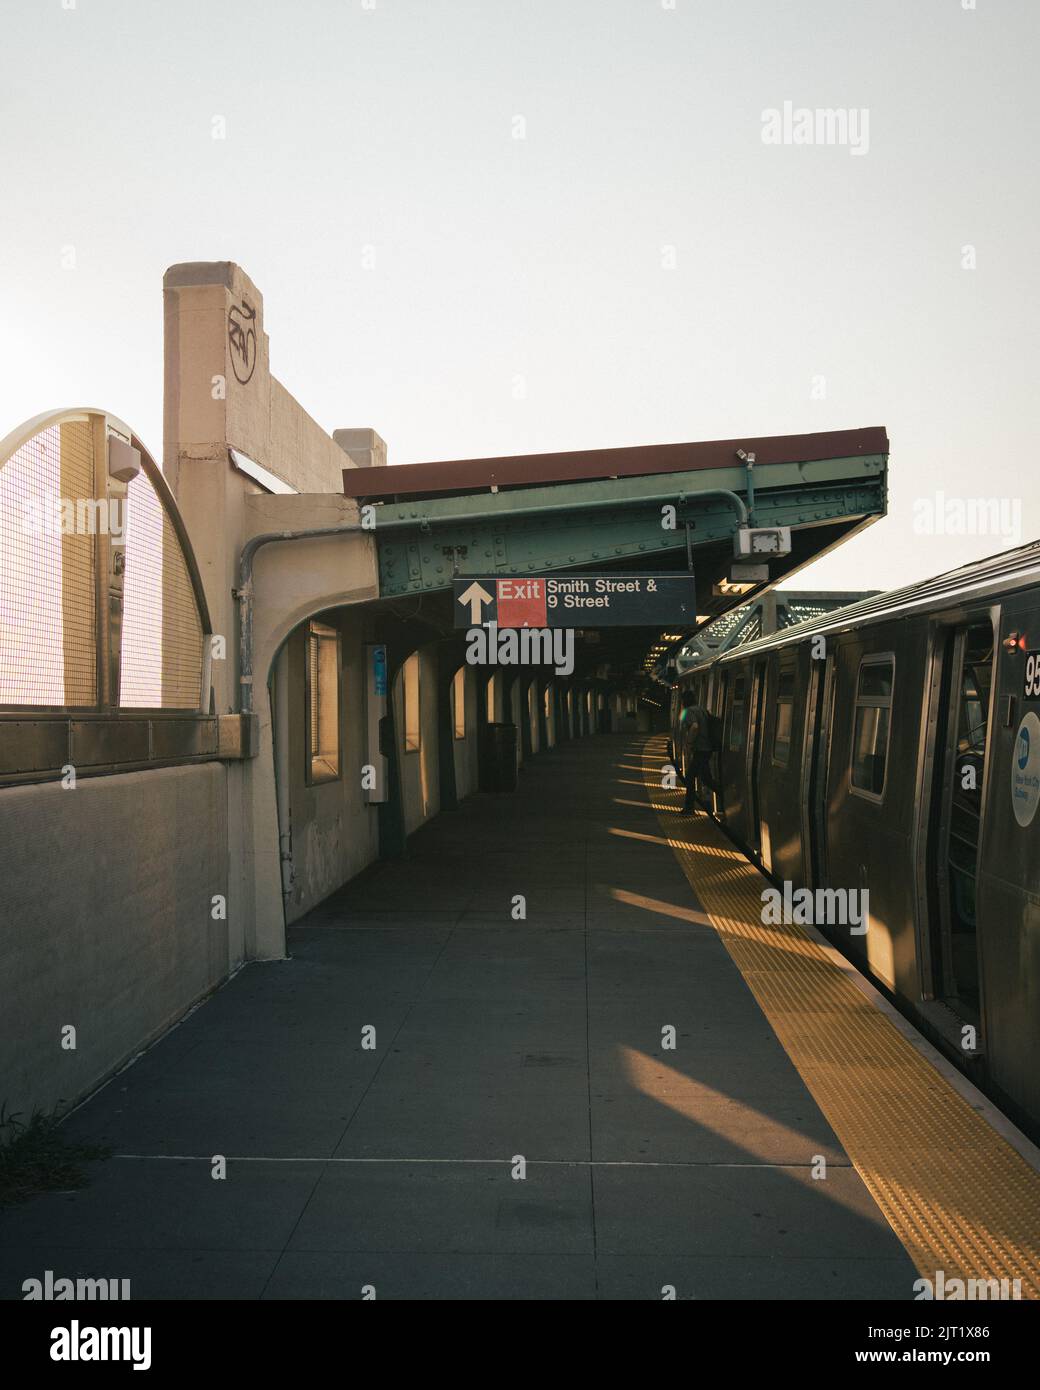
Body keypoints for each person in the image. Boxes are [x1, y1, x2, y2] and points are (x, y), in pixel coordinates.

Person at [678, 691, 718, 813]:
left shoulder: (688, 711)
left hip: (700, 749)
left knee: (690, 777)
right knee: (705, 778)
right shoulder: (702, 709)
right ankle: (722, 793)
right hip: (707, 748)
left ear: (684, 701)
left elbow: (694, 726)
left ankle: (689, 808)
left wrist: (689, 743)